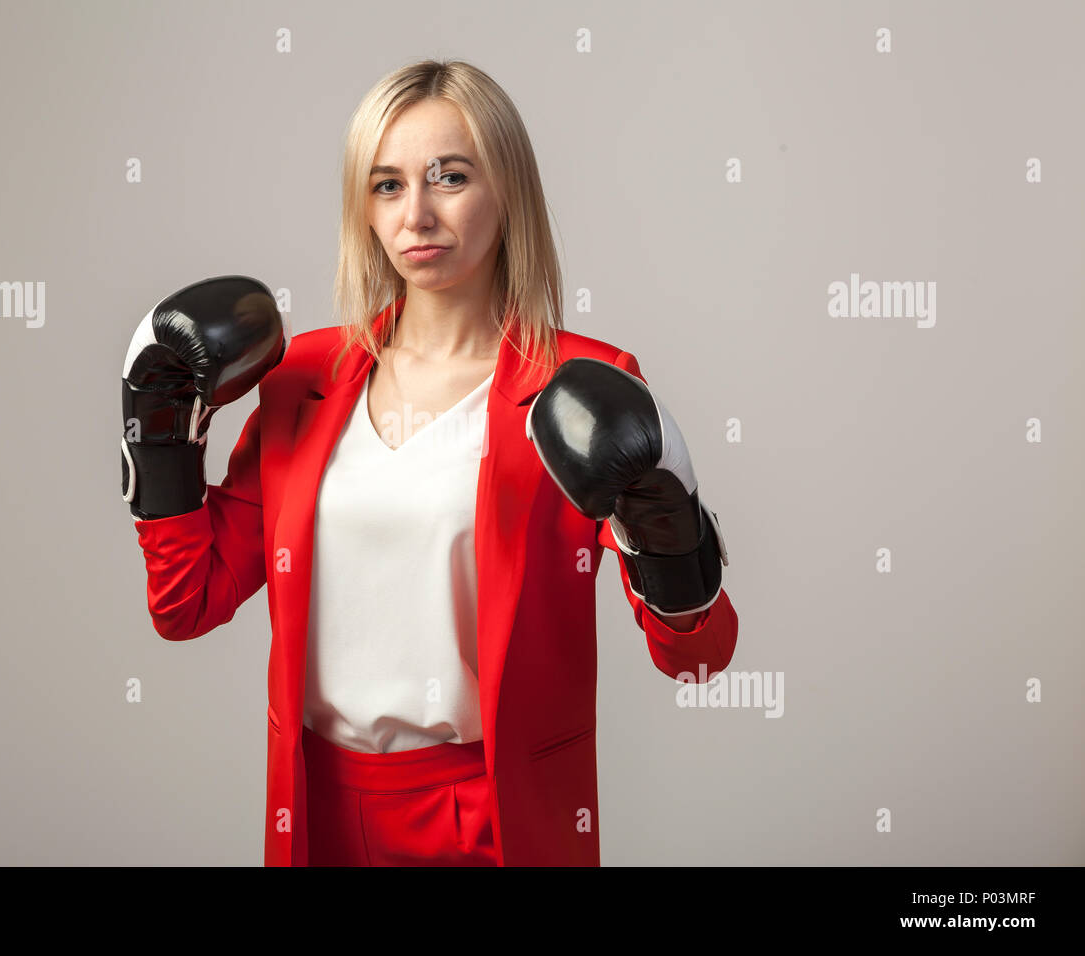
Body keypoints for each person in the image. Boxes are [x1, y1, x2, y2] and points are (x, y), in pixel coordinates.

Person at [121, 59, 738, 867]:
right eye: (386, 185)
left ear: (506, 188)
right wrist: (158, 435)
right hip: (319, 808)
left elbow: (695, 658)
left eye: (450, 176)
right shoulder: (300, 378)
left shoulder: (579, 385)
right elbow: (186, 603)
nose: (417, 213)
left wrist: (670, 524)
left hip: (494, 814)